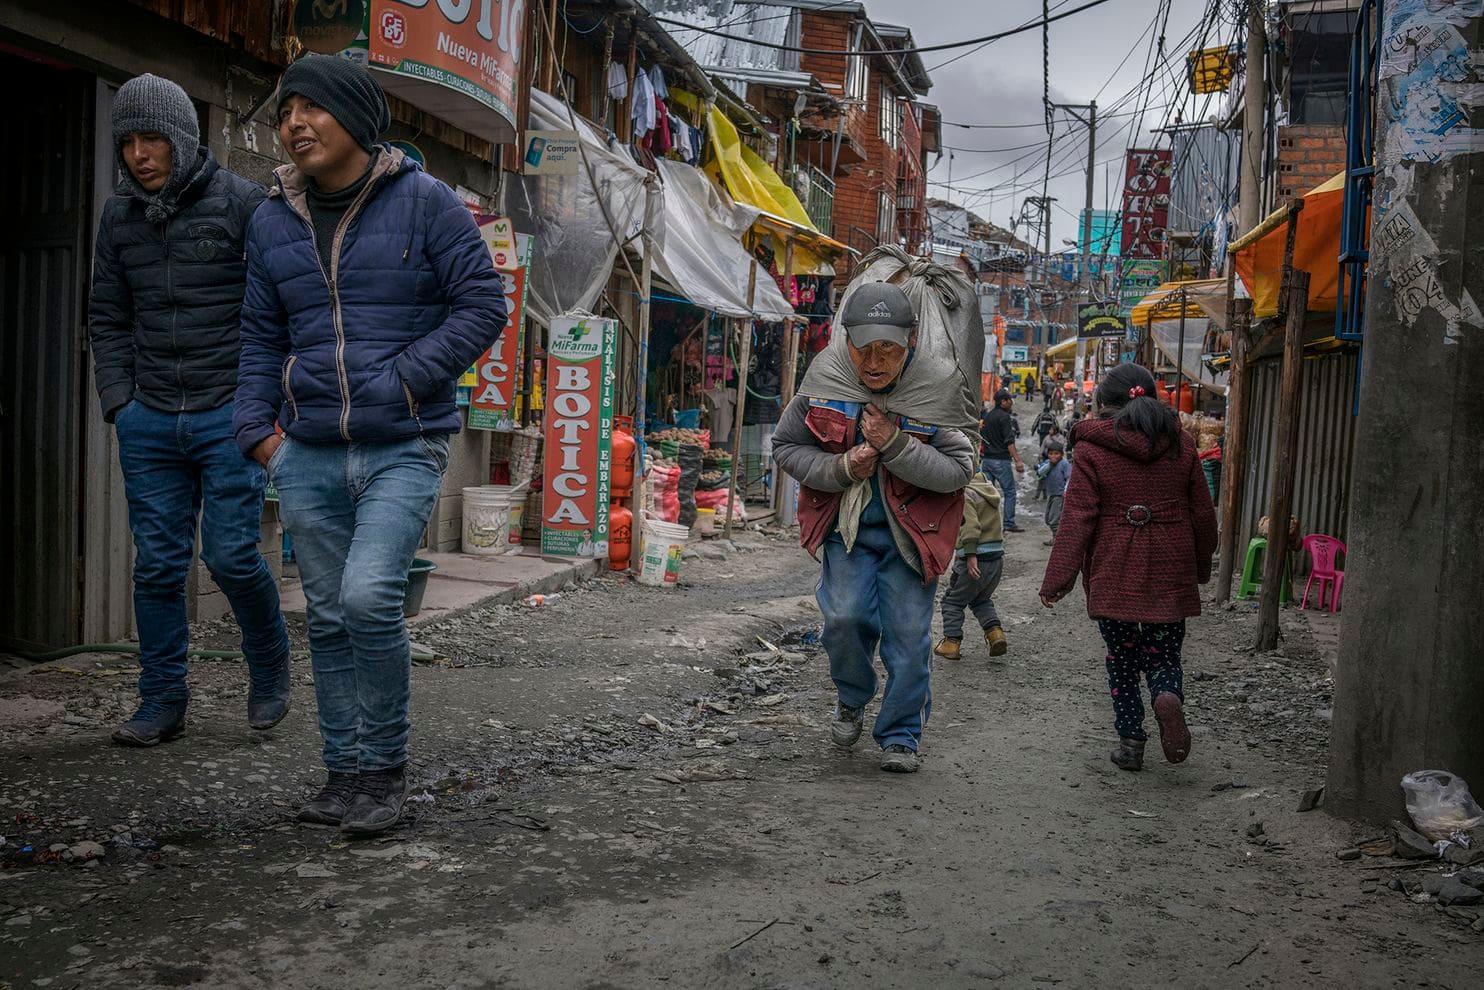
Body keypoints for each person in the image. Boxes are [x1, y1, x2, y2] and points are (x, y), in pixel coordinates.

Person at [235, 55, 506, 834]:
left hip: (404, 442)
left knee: (367, 597)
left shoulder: (426, 203)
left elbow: (481, 304)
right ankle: (343, 776)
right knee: (325, 615)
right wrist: (257, 433)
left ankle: (383, 772)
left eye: (310, 108)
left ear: (355, 115)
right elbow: (260, 334)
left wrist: (405, 379)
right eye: (285, 112)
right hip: (308, 448)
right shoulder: (272, 219)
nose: (294, 124)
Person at [88, 74, 290, 747]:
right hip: (149, 416)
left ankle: (270, 664)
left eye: (153, 139)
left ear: (181, 136)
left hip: (227, 413)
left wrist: (260, 404)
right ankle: (162, 700)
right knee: (156, 565)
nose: (139, 155)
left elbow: (278, 310)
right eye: (127, 142)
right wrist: (120, 403)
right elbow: (107, 315)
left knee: (231, 556)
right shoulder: (118, 217)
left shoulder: (243, 203)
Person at [773, 281, 976, 774]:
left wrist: (895, 444)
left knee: (907, 639)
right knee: (844, 621)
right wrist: (842, 467)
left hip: (912, 539)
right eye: (864, 346)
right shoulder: (826, 383)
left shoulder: (933, 388)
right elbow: (786, 447)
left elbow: (959, 468)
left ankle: (901, 735)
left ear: (911, 341)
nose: (874, 360)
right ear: (846, 342)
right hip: (847, 535)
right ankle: (853, 696)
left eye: (888, 347)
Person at [1038, 364, 1217, 772]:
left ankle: (1131, 742)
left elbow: (1077, 518)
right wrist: (1200, 567)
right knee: (1164, 654)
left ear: (1103, 404)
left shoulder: (1092, 449)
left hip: (1114, 569)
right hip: (1170, 568)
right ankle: (1165, 695)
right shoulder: (1182, 443)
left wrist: (1057, 581)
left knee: (1121, 658)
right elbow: (1203, 515)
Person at [934, 470, 1007, 660]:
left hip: (975, 559)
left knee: (952, 601)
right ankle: (995, 634)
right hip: (996, 557)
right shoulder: (987, 489)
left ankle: (951, 643)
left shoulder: (966, 493)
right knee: (981, 599)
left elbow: (970, 526)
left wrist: (970, 554)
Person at [979, 388, 1026, 532]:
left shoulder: (987, 416)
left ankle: (986, 525)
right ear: (1003, 401)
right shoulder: (1004, 417)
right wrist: (1017, 461)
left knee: (987, 494)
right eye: (1009, 400)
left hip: (986, 461)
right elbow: (1009, 441)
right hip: (1001, 461)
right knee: (1010, 492)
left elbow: (982, 438)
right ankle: (1009, 523)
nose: (1011, 403)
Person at [1041, 439, 1071, 547]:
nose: (1053, 456)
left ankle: (1057, 540)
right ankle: (1058, 538)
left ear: (1061, 454)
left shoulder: (1064, 464)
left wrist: (1066, 490)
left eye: (1056, 453)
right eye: (1051, 453)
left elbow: (1069, 478)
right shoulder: (1047, 463)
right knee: (1048, 518)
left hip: (1059, 495)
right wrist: (1050, 464)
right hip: (1051, 494)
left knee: (1054, 519)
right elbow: (1040, 472)